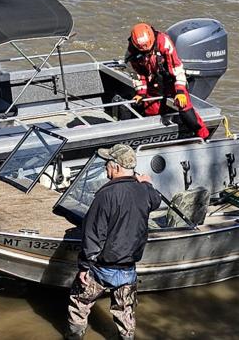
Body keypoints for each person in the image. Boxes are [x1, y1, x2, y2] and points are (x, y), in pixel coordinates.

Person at [66, 144, 161, 340]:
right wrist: (147, 183)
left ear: (116, 167)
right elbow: (155, 200)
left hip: (102, 267)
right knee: (125, 311)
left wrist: (84, 266)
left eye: (107, 164)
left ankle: (74, 337)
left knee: (79, 301)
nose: (105, 168)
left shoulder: (105, 195)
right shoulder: (145, 192)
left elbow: (93, 234)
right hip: (128, 268)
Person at [125, 22, 209, 139]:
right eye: (142, 48)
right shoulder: (132, 53)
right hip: (152, 82)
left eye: (147, 47)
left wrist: (180, 91)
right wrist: (141, 93)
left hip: (172, 80)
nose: (145, 50)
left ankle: (204, 135)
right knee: (151, 111)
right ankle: (155, 139)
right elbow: (137, 74)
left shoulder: (163, 42)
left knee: (185, 109)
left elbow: (176, 68)